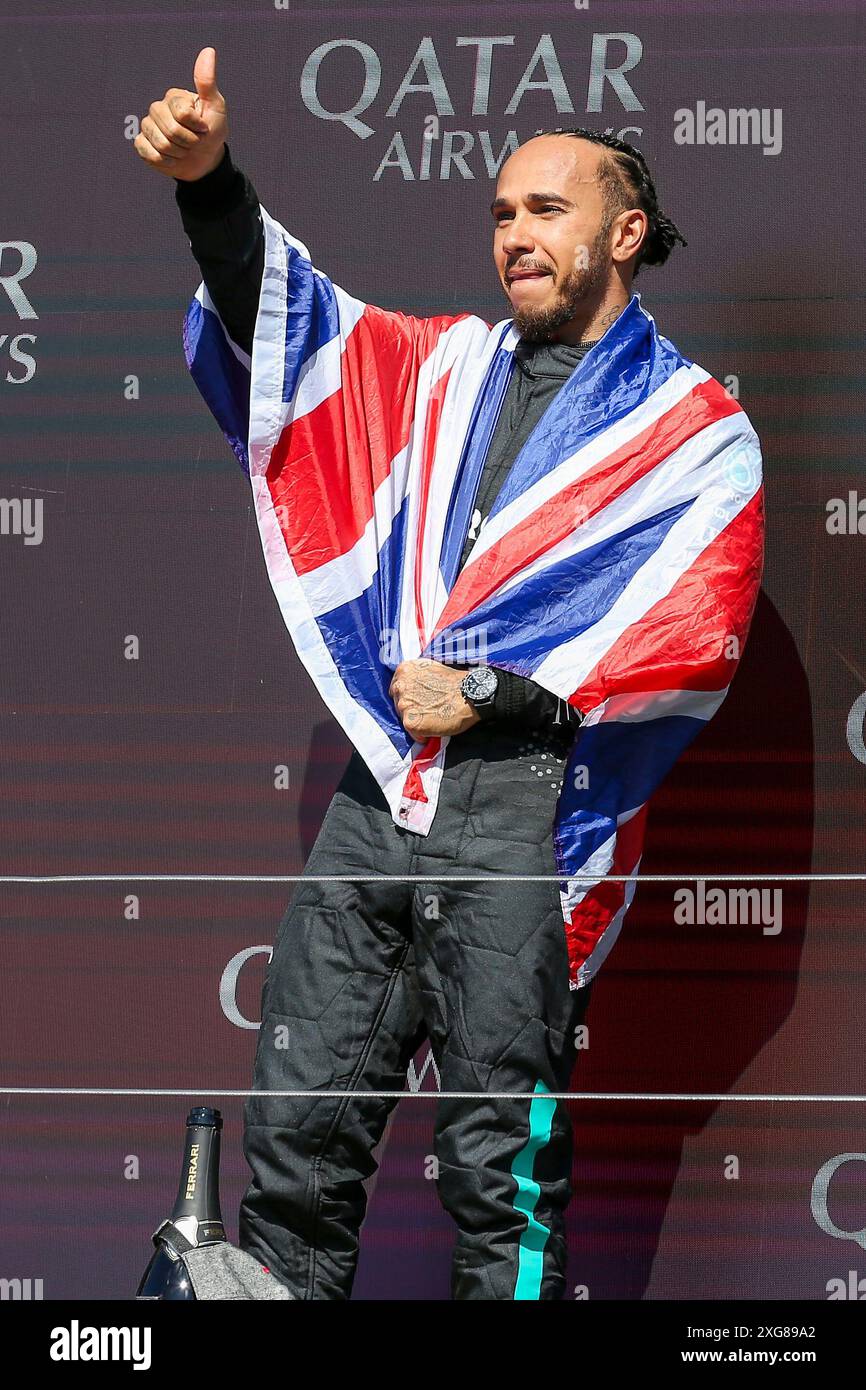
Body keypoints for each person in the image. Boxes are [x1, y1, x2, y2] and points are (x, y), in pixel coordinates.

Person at [134, 46, 760, 1300]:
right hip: (382, 798)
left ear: (623, 230)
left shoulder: (695, 430)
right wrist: (211, 188)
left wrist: (496, 696)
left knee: (499, 1182)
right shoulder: (440, 369)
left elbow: (688, 633)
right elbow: (298, 335)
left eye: (545, 210)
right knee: (297, 1150)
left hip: (519, 810)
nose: (512, 237)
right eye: (498, 215)